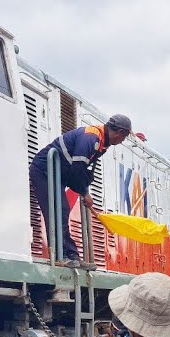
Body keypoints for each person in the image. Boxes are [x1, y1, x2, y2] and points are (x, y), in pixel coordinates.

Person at [30, 114, 132, 266]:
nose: (122, 141)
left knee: (63, 210)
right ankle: (61, 256)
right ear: (120, 132)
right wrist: (85, 193)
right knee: (58, 210)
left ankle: (72, 255)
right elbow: (77, 170)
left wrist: (83, 188)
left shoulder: (102, 141)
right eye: (124, 138)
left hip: (59, 174)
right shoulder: (91, 138)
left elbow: (78, 171)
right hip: (44, 171)